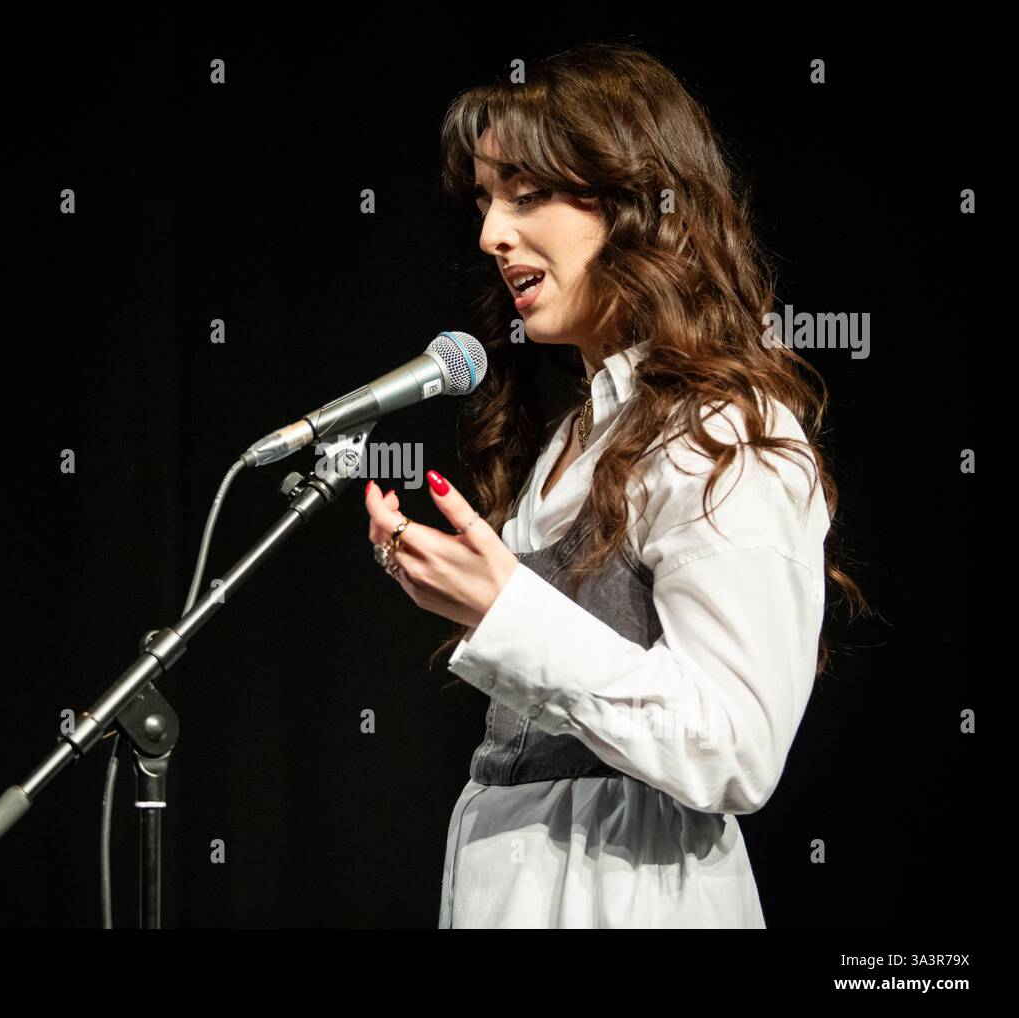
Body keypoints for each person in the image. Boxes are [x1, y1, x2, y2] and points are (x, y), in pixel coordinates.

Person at [362, 41, 867, 928]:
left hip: (628, 892)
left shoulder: (720, 430)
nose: (490, 234)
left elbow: (734, 750)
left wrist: (507, 610)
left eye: (526, 194)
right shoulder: (572, 440)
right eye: (484, 200)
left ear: (637, 204)